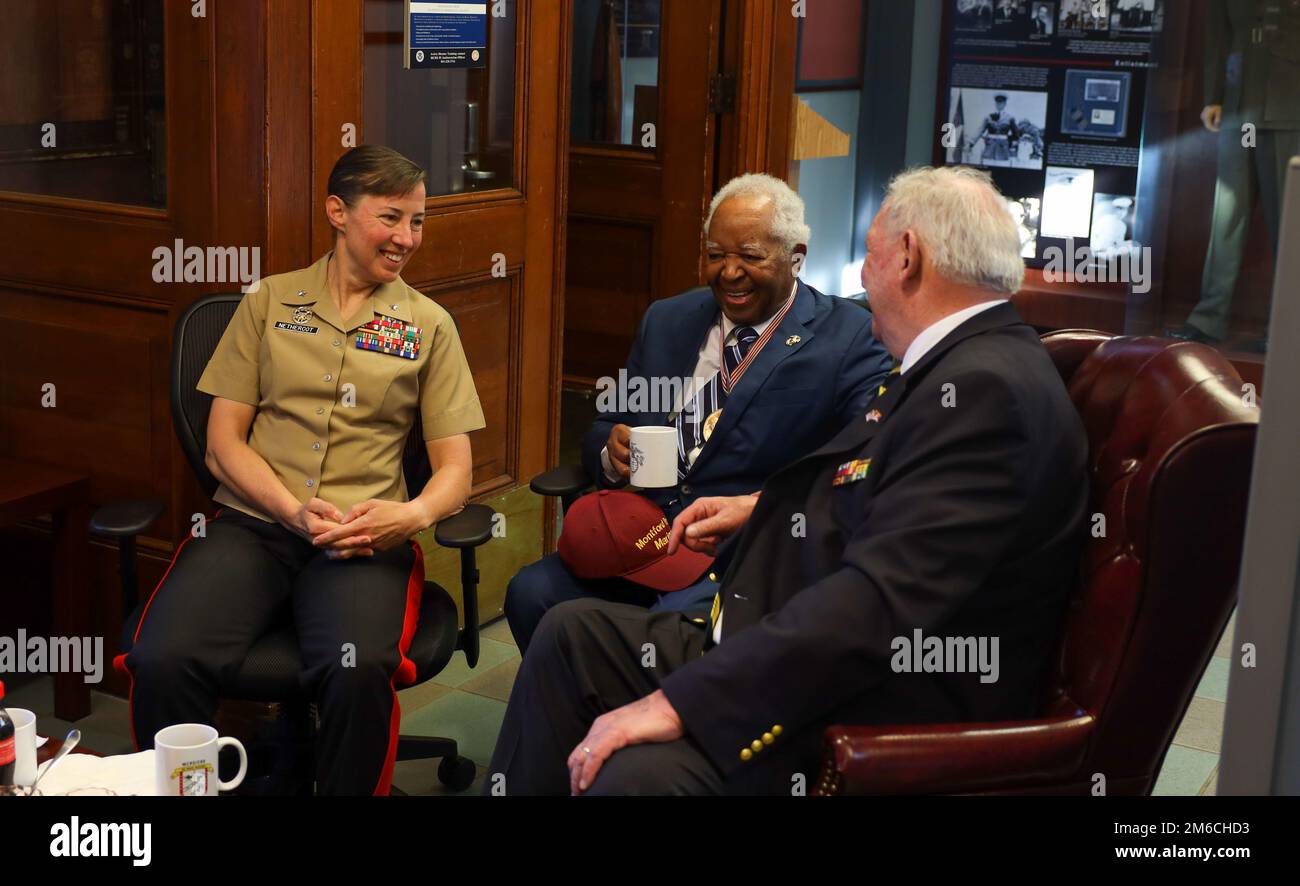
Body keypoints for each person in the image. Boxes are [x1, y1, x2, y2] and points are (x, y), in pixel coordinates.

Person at [485, 165, 1089, 795]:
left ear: (907, 259)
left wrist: (681, 704)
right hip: (757, 605)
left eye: (870, 255)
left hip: (860, 706)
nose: (862, 276)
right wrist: (756, 510)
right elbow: (863, 498)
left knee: (634, 772)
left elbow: (878, 603)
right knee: (566, 634)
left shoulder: (979, 393)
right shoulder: (956, 367)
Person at [116, 145, 485, 795]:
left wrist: (414, 515)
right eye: (391, 217)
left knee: (357, 667)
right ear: (337, 212)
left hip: (363, 537)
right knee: (162, 656)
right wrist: (289, 509)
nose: (407, 238)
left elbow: (456, 468)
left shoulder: (429, 327)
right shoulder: (269, 303)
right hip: (255, 526)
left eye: (419, 221)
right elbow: (222, 441)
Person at [503, 173, 892, 651]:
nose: (729, 272)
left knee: (667, 637)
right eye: (716, 255)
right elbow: (606, 425)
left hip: (743, 553)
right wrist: (610, 450)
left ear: (795, 258)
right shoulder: (669, 319)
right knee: (531, 594)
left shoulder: (848, 338)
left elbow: (864, 462)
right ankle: (579, 723)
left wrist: (761, 511)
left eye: (749, 256)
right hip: (644, 537)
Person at [1168, 0, 1300, 352]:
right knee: (1228, 214)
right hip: (1241, 110)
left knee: (1285, 224)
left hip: (1287, 107)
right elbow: (1219, 33)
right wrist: (1213, 95)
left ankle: (1284, 327)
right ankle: (1209, 319)